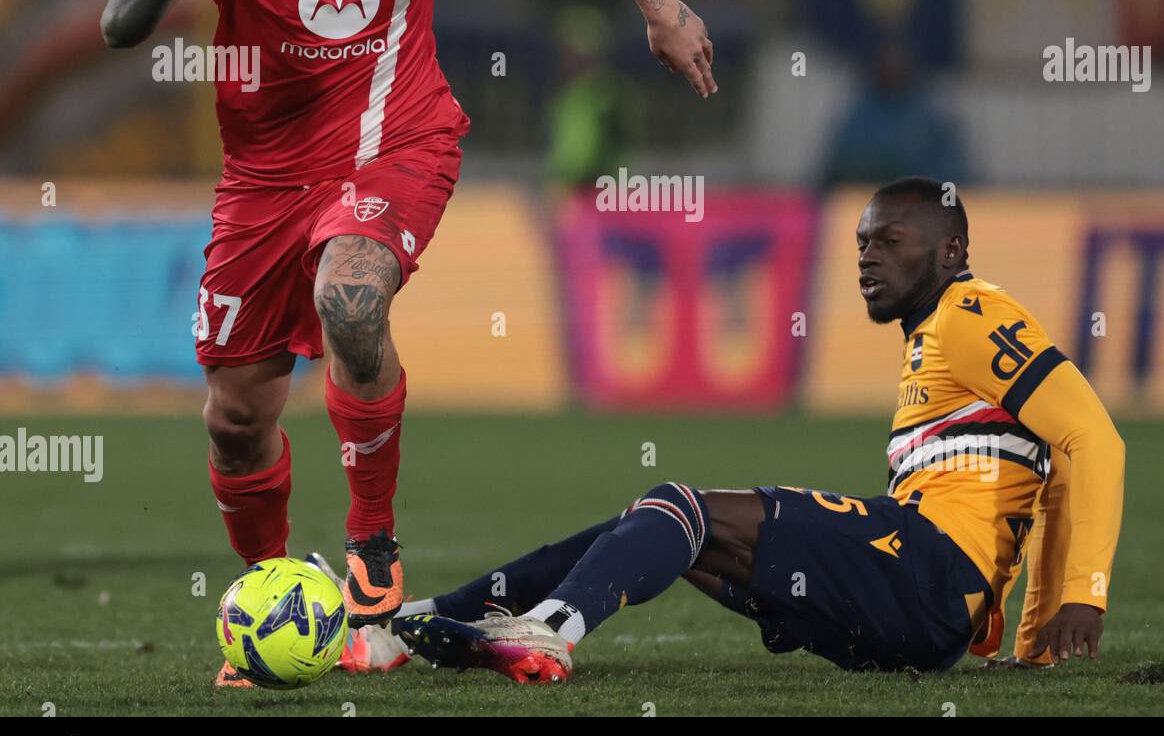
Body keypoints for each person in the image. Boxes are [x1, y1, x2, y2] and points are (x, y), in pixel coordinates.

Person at [98, 0, 716, 688]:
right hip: (264, 181)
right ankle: (281, 606)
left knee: (352, 296)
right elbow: (117, 25)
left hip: (399, 146)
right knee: (234, 418)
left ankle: (372, 556)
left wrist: (660, 2)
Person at [374, 177, 1125, 682]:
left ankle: (553, 628)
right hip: (922, 611)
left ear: (952, 251)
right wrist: (1031, 643)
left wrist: (1082, 593)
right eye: (862, 241)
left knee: (684, 504)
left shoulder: (972, 313)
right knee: (657, 521)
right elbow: (1051, 467)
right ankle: (441, 617)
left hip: (928, 572)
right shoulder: (934, 334)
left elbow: (1092, 436)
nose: (867, 256)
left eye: (891, 241)